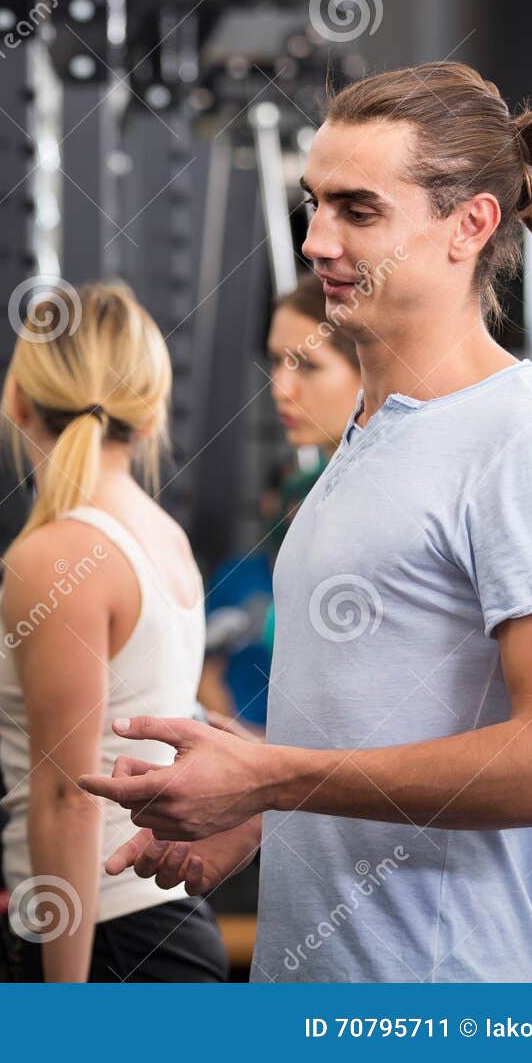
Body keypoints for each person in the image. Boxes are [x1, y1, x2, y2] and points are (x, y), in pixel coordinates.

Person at [84, 62, 532, 982]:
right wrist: (262, 815)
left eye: (358, 211)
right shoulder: (368, 436)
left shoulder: (527, 447)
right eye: (313, 205)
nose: (315, 241)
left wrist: (272, 777)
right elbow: (377, 728)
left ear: (470, 225)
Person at [0, 281, 228, 983]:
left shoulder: (59, 555)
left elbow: (68, 797)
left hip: (103, 945)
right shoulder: (159, 534)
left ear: (18, 401)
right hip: (147, 933)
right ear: (148, 414)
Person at [198, 273, 365, 728]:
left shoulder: (389, 505)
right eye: (276, 362)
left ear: (369, 366)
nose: (280, 388)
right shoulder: (315, 499)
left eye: (306, 365)